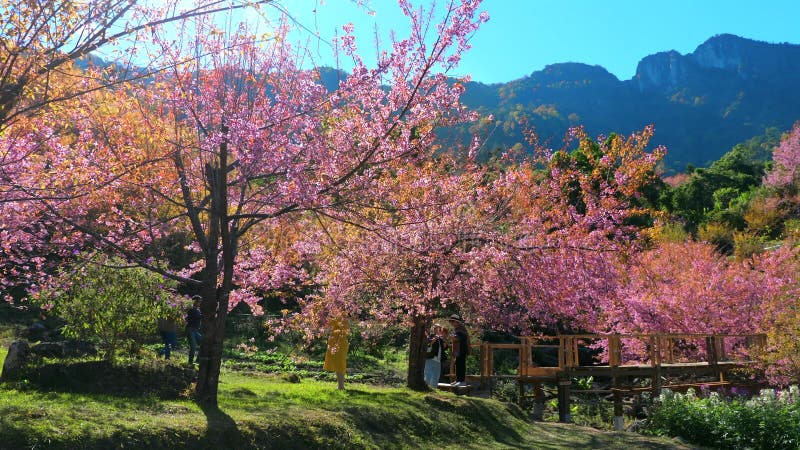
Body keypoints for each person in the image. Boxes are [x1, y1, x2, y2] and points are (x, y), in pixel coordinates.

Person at [323, 317, 350, 390]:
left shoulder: (343, 316)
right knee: (337, 363)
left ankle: (341, 386)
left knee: (340, 363)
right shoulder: (333, 314)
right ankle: (340, 385)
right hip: (333, 340)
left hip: (341, 341)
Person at [448, 314, 469, 387]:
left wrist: (452, 337)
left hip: (462, 349)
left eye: (452, 321)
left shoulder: (461, 329)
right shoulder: (457, 329)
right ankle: (458, 380)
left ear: (456, 322)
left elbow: (459, 338)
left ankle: (462, 381)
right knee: (457, 364)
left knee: (461, 365)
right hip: (458, 350)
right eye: (451, 321)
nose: (451, 323)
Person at [423, 324, 444, 389]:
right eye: (436, 328)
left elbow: (443, 348)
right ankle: (425, 387)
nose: (437, 330)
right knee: (428, 374)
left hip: (438, 360)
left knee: (436, 376)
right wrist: (434, 339)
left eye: (439, 329)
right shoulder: (431, 336)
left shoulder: (441, 339)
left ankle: (433, 389)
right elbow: (428, 344)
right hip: (430, 358)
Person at [186, 296, 202, 366]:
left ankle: (198, 360)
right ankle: (190, 362)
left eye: (200, 301)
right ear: (194, 301)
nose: (200, 303)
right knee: (193, 346)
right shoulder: (191, 309)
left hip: (195, 330)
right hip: (190, 329)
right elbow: (195, 317)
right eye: (199, 301)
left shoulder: (197, 310)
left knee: (204, 343)